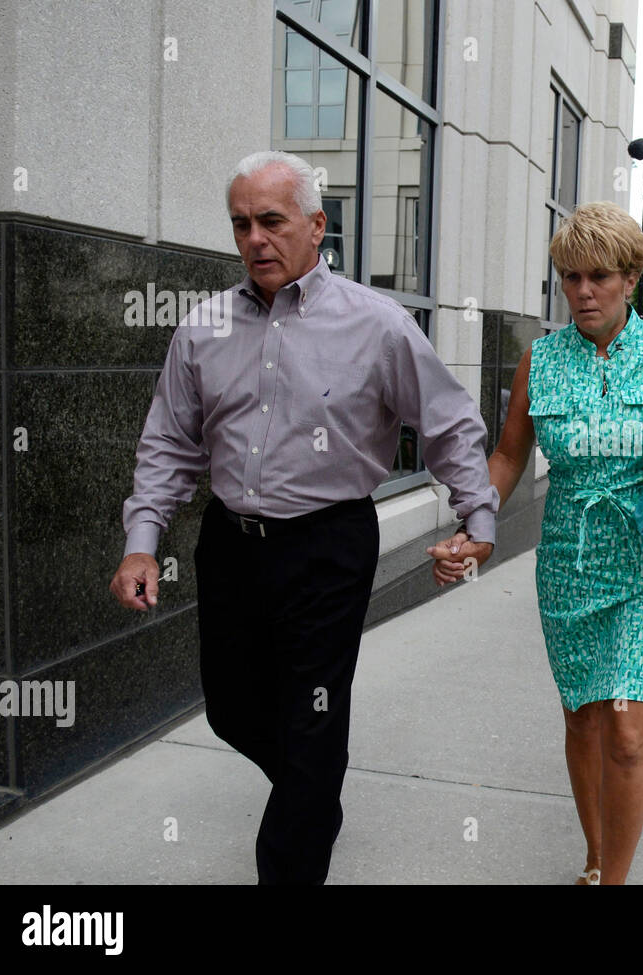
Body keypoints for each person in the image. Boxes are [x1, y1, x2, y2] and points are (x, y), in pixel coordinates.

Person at [108, 150, 499, 885]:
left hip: (328, 546)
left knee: (314, 720)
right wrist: (141, 541)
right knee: (232, 709)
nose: (255, 238)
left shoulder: (377, 325)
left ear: (317, 226)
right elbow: (168, 441)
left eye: (272, 221)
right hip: (232, 544)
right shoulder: (204, 327)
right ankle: (313, 797)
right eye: (241, 224)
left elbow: (448, 423)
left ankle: (298, 836)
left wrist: (476, 516)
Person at [431, 201, 643, 885]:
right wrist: (476, 529)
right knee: (582, 721)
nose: (583, 291)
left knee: (628, 734)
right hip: (570, 567)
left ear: (632, 277)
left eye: (600, 276)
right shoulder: (541, 360)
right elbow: (507, 457)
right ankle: (594, 852)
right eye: (570, 276)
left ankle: (614, 880)